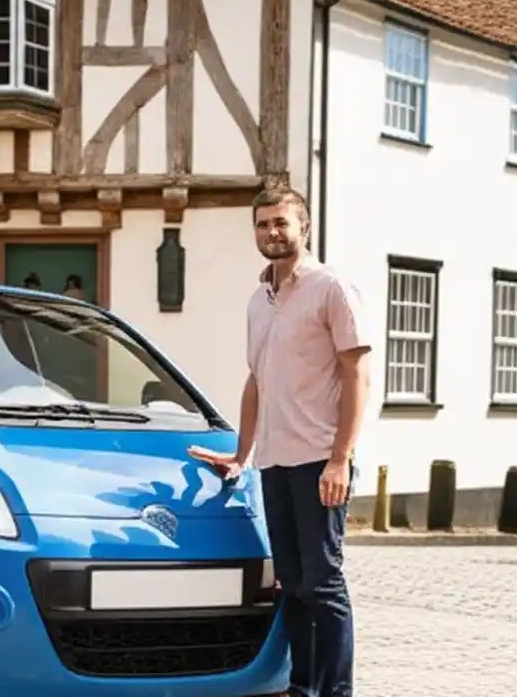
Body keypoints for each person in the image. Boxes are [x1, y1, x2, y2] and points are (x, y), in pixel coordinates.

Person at [188, 187, 371, 697]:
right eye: (263, 223)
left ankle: (335, 691)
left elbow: (357, 373)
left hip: (319, 460)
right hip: (274, 461)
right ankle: (302, 686)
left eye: (282, 223)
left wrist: (341, 458)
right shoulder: (257, 301)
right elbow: (257, 382)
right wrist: (241, 455)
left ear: (303, 229)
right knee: (291, 582)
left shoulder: (331, 287)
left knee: (324, 582)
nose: (272, 232)